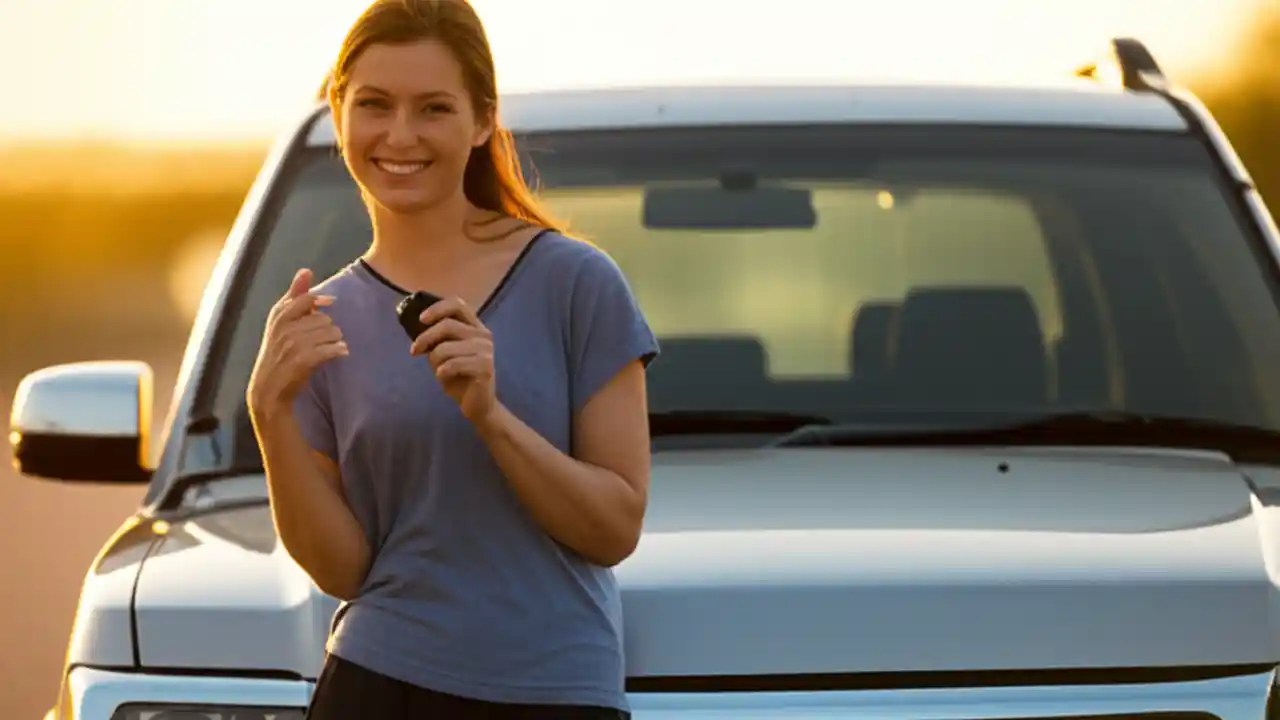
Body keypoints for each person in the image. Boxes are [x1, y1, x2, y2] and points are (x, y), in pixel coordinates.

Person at [244, 1, 659, 717]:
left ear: (481, 121)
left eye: (433, 108)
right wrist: (269, 414)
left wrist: (490, 417)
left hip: (556, 692)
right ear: (338, 112)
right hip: (376, 682)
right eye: (374, 105)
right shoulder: (321, 318)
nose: (400, 135)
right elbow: (346, 570)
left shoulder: (576, 284)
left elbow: (614, 528)